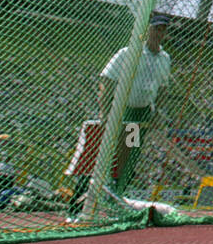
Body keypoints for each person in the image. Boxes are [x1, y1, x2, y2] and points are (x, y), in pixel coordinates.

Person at [66, 13, 173, 212]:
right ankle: (77, 206)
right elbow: (107, 80)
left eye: (162, 29)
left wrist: (157, 113)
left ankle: (115, 198)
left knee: (128, 156)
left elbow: (163, 88)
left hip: (139, 117)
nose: (159, 33)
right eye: (156, 28)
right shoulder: (128, 52)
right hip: (120, 112)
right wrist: (106, 113)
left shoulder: (164, 58)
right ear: (146, 29)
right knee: (102, 155)